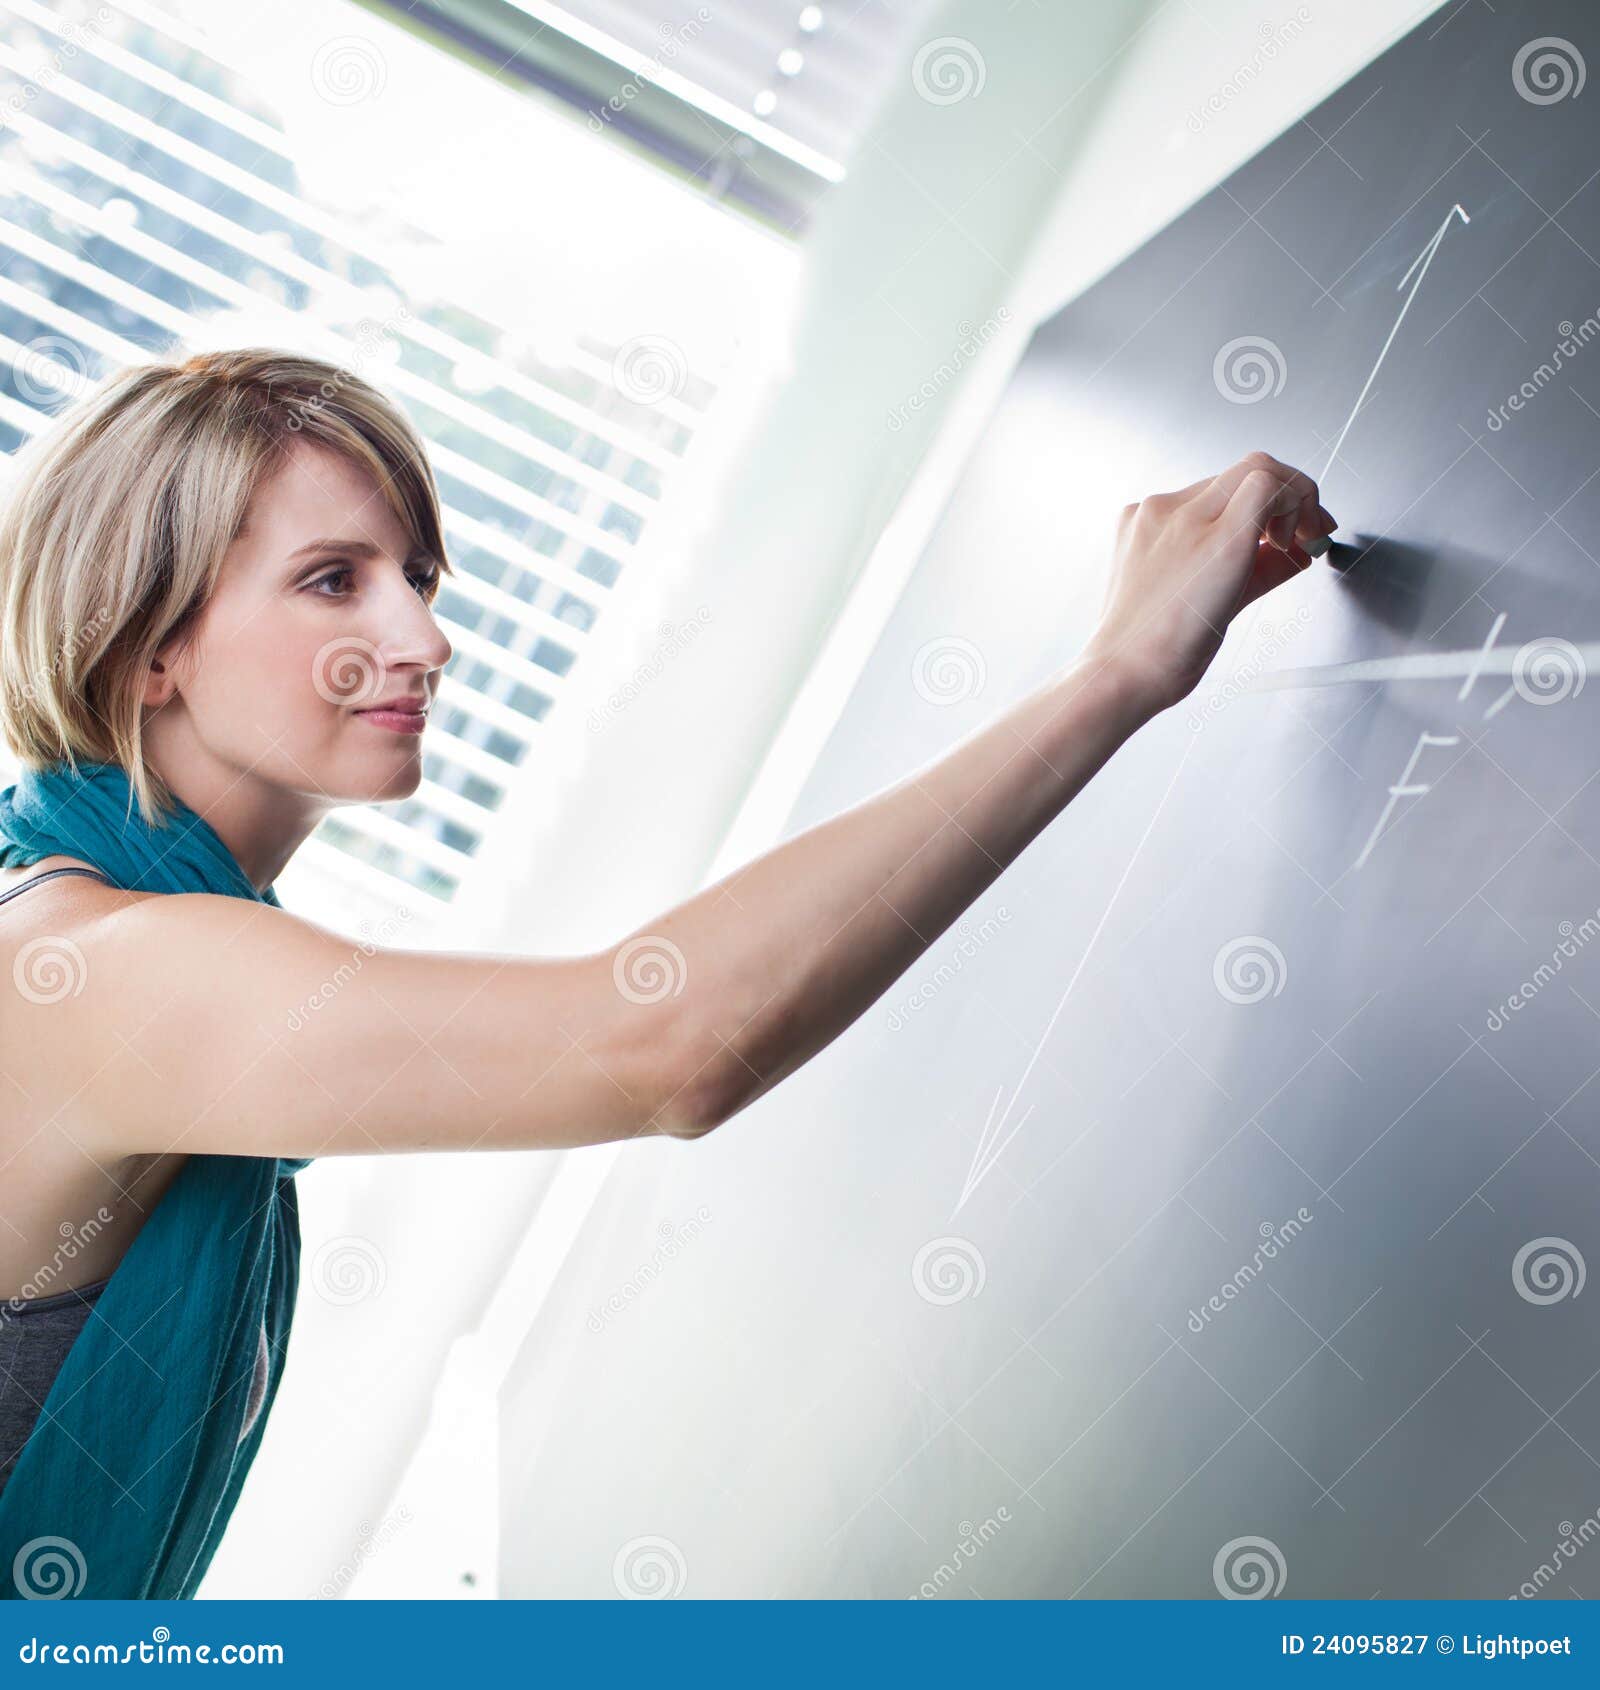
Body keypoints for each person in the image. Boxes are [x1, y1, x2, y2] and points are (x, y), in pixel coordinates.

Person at [0, 348, 1334, 1594]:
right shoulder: (102, 973)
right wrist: (1115, 673)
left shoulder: (108, 922)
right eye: (336, 580)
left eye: (419, 575)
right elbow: (671, 1040)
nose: (426, 640)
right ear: (149, 640)